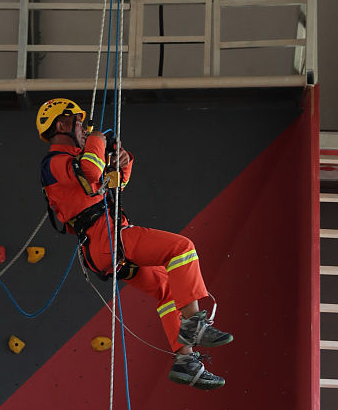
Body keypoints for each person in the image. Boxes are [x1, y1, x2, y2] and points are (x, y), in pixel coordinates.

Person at [36, 97, 233, 392]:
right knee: (181, 248)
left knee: (167, 287)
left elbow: (112, 184)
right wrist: (99, 141)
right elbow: (91, 174)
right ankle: (194, 323)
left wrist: (122, 161)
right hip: (107, 239)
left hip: (105, 245)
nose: (85, 127)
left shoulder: (75, 162)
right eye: (79, 122)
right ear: (62, 124)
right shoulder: (54, 163)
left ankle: (185, 361)